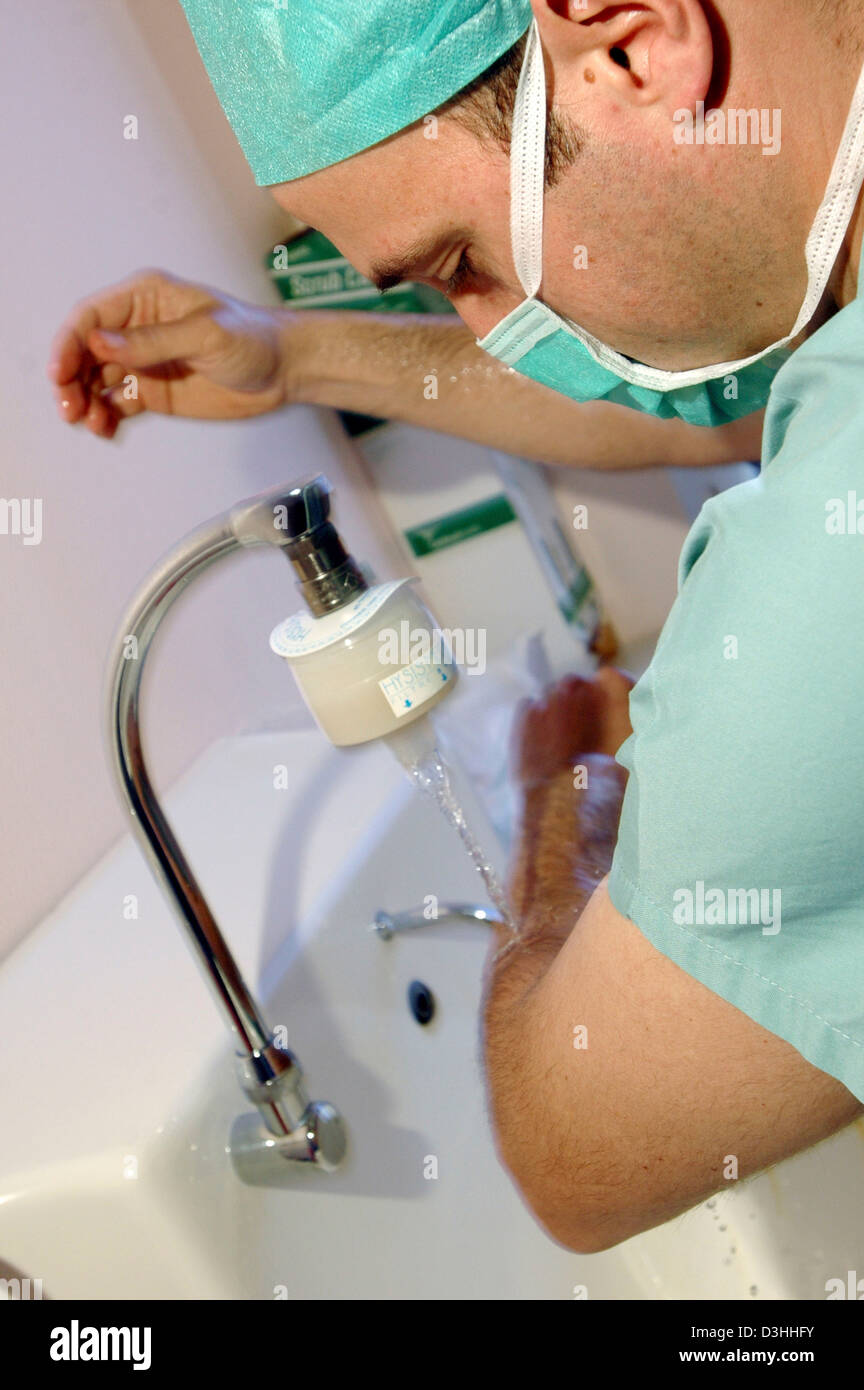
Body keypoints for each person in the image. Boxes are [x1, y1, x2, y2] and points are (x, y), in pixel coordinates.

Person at [48, 0, 864, 1254]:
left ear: (633, 46)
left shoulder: (824, 572)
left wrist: (570, 800)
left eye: (457, 266)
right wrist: (293, 359)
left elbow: (575, 1157)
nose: (490, 332)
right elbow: (731, 396)